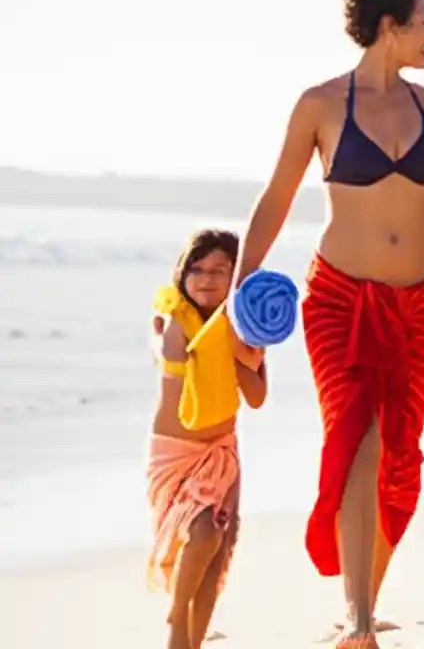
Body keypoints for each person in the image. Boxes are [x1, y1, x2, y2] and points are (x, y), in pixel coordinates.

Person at [232, 0, 424, 648]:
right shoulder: (320, 105)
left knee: (399, 453)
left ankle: (364, 604)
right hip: (340, 300)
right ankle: (357, 620)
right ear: (390, 25)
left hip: (423, 303)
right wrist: (240, 289)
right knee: (356, 435)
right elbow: (276, 198)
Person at [147, 228, 268, 649]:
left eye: (220, 270)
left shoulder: (246, 329)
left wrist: (239, 348)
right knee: (203, 533)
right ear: (183, 274)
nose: (207, 279)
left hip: (222, 450)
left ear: (236, 278)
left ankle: (190, 644)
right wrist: (220, 336)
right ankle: (177, 622)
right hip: (176, 452)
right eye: (197, 269)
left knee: (218, 551)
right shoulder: (172, 322)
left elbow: (256, 397)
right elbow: (181, 356)